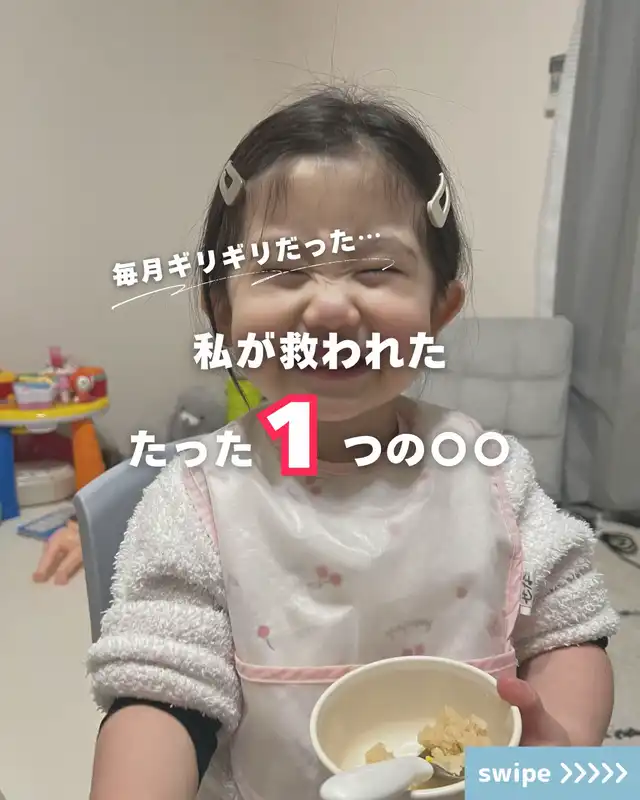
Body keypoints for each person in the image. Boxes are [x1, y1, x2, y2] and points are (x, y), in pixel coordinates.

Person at [87, 87, 618, 800]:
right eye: (284, 270)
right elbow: (162, 691)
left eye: (376, 269)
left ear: (439, 310)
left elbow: (568, 629)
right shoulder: (200, 499)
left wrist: (561, 755)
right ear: (223, 312)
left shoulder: (491, 473)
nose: (332, 307)